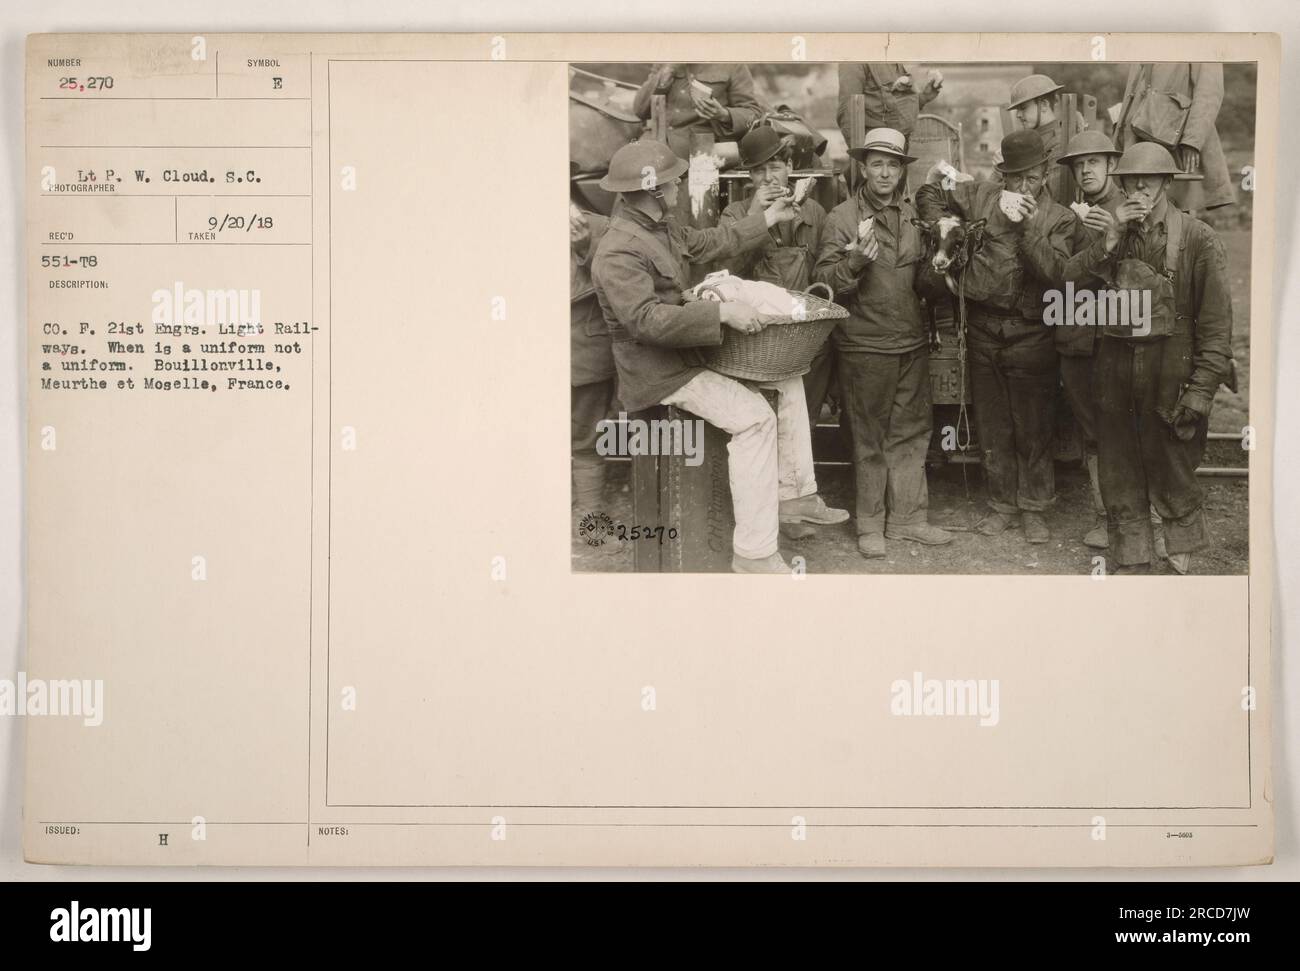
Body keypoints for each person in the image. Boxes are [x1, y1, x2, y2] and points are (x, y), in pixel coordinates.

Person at [591, 139, 848, 574]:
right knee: (755, 419)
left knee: (787, 376)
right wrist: (722, 311)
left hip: (688, 352)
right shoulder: (618, 250)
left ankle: (795, 496)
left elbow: (711, 241)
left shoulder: (660, 228)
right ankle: (754, 554)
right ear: (653, 191)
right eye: (672, 181)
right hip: (659, 372)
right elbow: (646, 322)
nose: (679, 186)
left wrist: (765, 218)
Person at [1068, 142, 1233, 574]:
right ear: (1120, 184)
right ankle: (1133, 554)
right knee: (1119, 463)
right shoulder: (1111, 233)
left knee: (1173, 459)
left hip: (1171, 362)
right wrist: (1108, 240)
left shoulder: (1197, 238)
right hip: (1115, 363)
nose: (1140, 185)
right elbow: (1070, 290)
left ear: (1166, 182)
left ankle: (1180, 550)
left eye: (1150, 178)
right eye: (1130, 179)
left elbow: (1216, 328)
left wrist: (1199, 393)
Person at [915, 129, 1078, 545]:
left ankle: (1034, 509)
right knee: (993, 426)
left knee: (1034, 427)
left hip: (1032, 333)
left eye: (1033, 177)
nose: (1024, 187)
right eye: (1016, 178)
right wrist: (944, 227)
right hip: (984, 329)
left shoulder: (1059, 218)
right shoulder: (979, 196)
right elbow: (930, 192)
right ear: (1003, 176)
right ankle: (1002, 506)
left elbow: (1057, 274)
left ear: (1045, 174)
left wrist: (1026, 228)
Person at [814, 128, 953, 558]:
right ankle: (871, 524)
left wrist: (945, 259)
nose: (885, 172)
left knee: (911, 434)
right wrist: (854, 261)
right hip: (863, 346)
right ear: (863, 166)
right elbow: (823, 286)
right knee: (868, 437)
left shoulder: (913, 217)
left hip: (910, 344)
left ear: (901, 170)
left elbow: (924, 280)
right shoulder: (841, 218)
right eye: (877, 163)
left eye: (893, 164)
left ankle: (909, 521)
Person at [716, 126, 833, 457]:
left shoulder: (813, 212)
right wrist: (757, 218)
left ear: (790, 168)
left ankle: (796, 496)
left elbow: (825, 273)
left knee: (801, 426)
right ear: (748, 176)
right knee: (760, 429)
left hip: (805, 340)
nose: (768, 178)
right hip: (756, 344)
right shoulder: (735, 214)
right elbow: (725, 275)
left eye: (775, 167)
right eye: (759, 170)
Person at [1056, 130, 1125, 549]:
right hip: (1079, 337)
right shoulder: (1073, 214)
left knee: (1123, 427)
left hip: (1118, 337)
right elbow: (1063, 275)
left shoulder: (1126, 210)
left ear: (1111, 165)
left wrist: (1114, 236)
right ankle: (1106, 517)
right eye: (1079, 165)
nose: (1085, 170)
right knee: (1092, 429)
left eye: (1094, 162)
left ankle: (1129, 517)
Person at [1114, 63, 1236, 211]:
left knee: (1176, 215)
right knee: (1141, 216)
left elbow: (1209, 92)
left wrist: (1192, 141)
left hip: (1176, 144)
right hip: (1139, 143)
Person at [570, 203, 616, 521]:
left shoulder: (598, 226)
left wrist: (585, 246)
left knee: (587, 438)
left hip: (584, 354)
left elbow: (617, 273)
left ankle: (589, 521)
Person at [632, 64, 763, 161]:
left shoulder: (733, 65)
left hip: (700, 151)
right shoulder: (665, 62)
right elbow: (639, 110)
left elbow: (752, 114)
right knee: (626, 170)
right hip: (655, 143)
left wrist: (723, 114)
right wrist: (666, 71)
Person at [835, 64, 942, 148]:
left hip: (900, 149)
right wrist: (863, 161)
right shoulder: (855, 58)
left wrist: (923, 97)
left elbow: (895, 108)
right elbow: (848, 116)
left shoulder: (890, 55)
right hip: (877, 154)